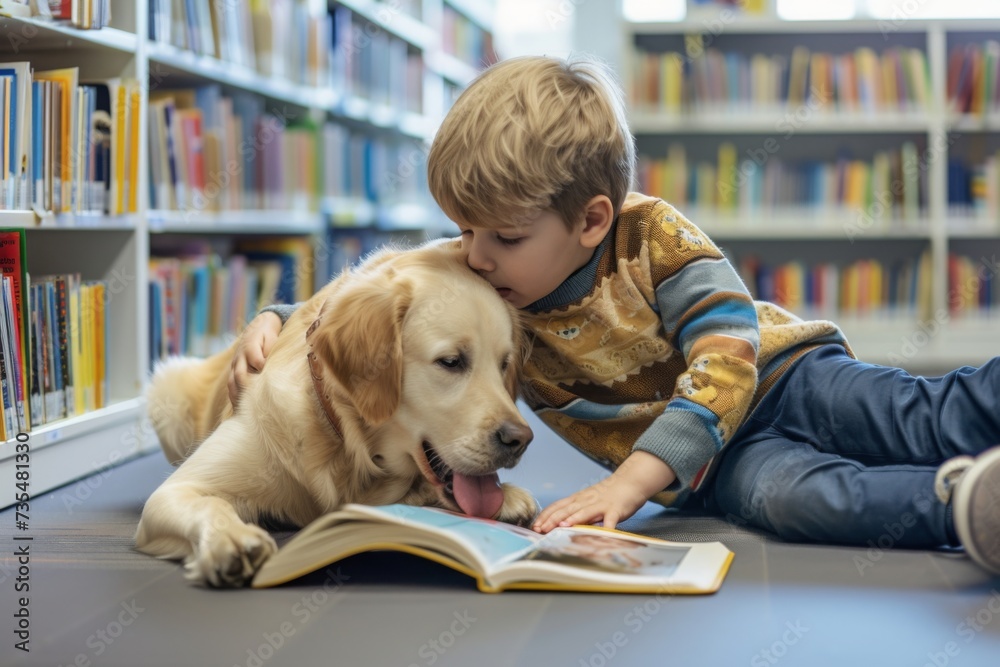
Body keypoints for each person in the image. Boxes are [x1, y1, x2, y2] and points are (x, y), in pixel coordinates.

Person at [227, 55, 1000, 575]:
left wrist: (630, 483)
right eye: (464, 230)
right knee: (794, 500)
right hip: (712, 471)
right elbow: (387, 287)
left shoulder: (654, 239)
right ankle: (963, 502)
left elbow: (727, 355)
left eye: (501, 236)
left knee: (916, 415)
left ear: (592, 221)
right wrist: (282, 317)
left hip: (782, 378)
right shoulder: (494, 270)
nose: (474, 255)